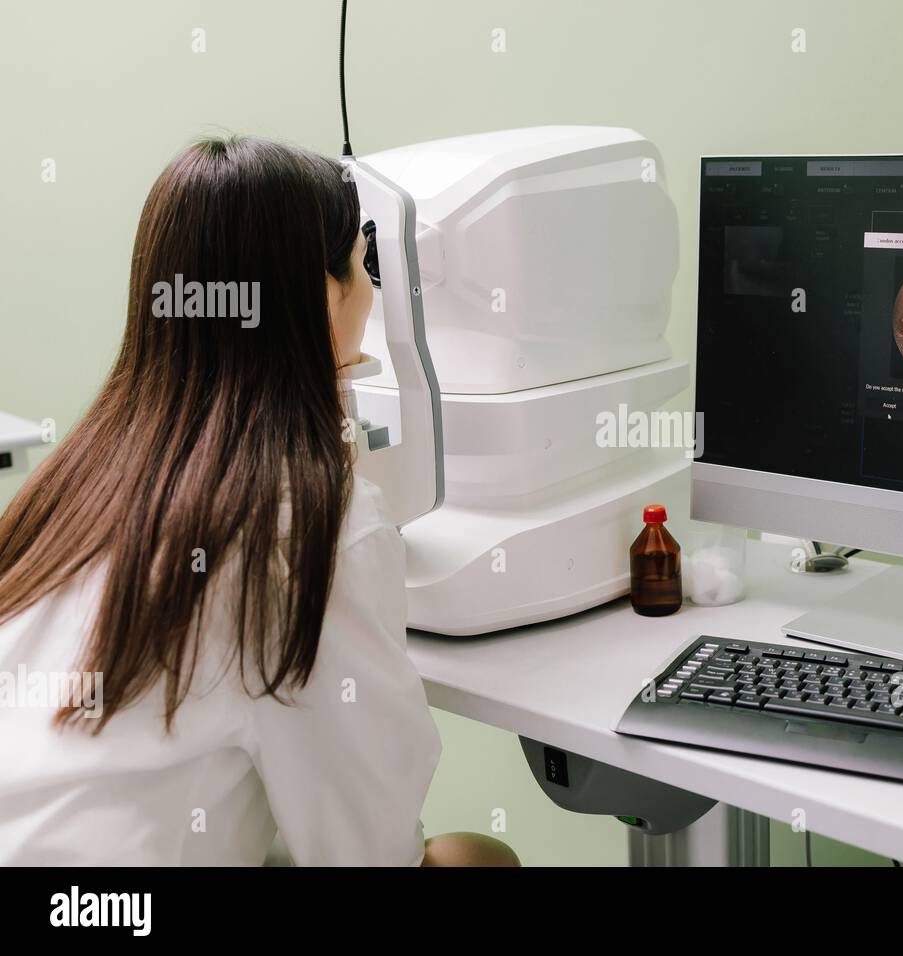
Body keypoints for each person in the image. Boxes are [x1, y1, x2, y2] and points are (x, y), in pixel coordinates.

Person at [0, 136, 517, 867]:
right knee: (474, 858)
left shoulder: (75, 483)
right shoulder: (315, 527)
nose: (372, 288)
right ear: (324, 292)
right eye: (361, 265)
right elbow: (366, 851)